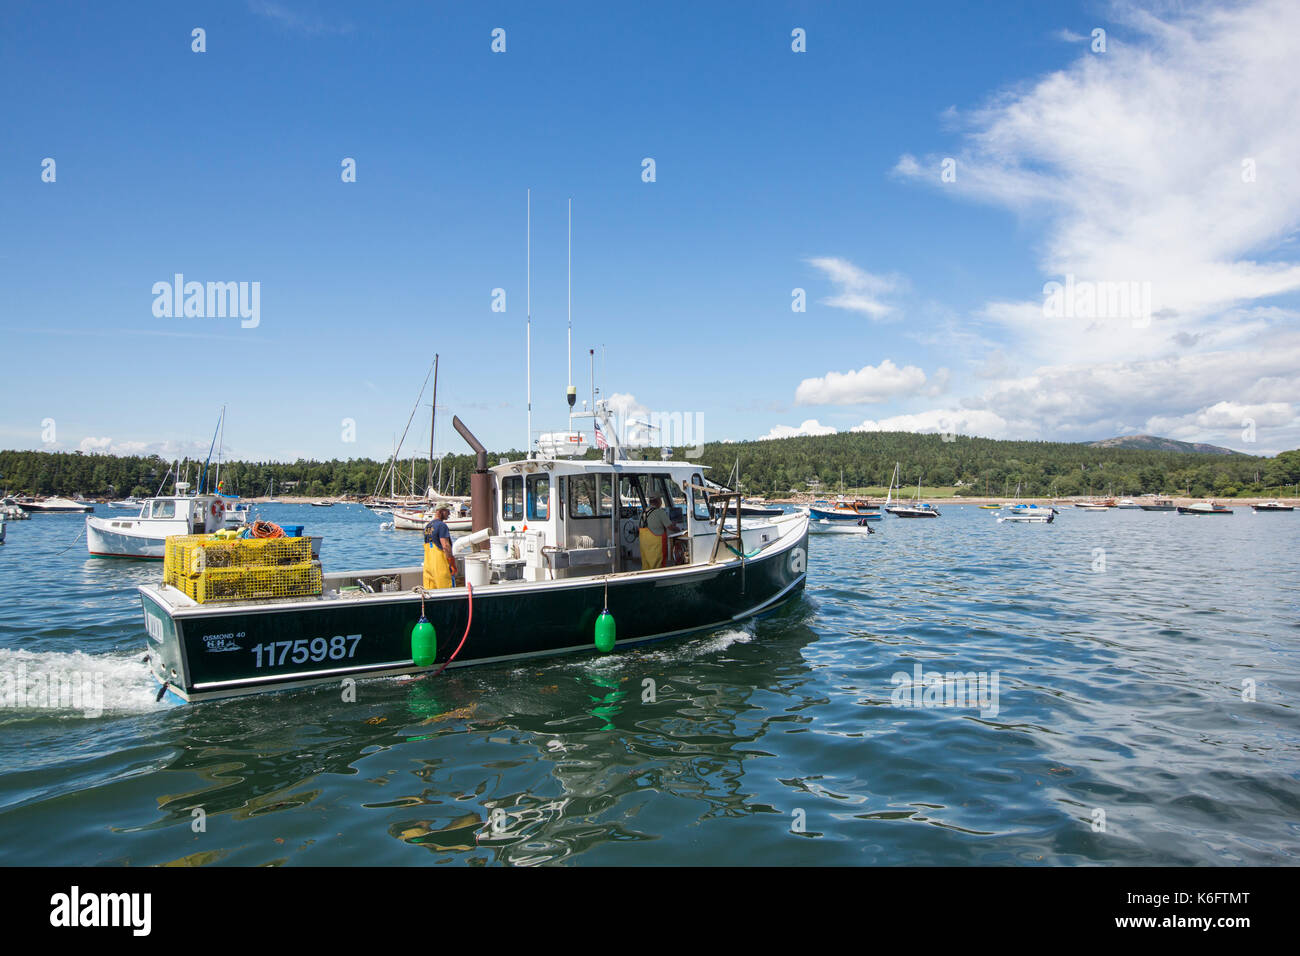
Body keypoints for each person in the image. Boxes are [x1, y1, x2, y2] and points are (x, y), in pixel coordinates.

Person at [639, 495, 680, 569]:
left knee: (646, 564)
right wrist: (679, 530)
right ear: (658, 501)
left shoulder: (643, 512)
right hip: (656, 544)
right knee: (658, 564)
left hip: (644, 543)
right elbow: (670, 527)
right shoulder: (660, 512)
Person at [422, 506, 456, 589]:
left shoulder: (428, 526)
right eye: (447, 511)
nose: (449, 514)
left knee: (430, 593)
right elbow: (445, 546)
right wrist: (452, 563)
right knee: (446, 592)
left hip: (428, 565)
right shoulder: (442, 525)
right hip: (440, 566)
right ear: (441, 511)